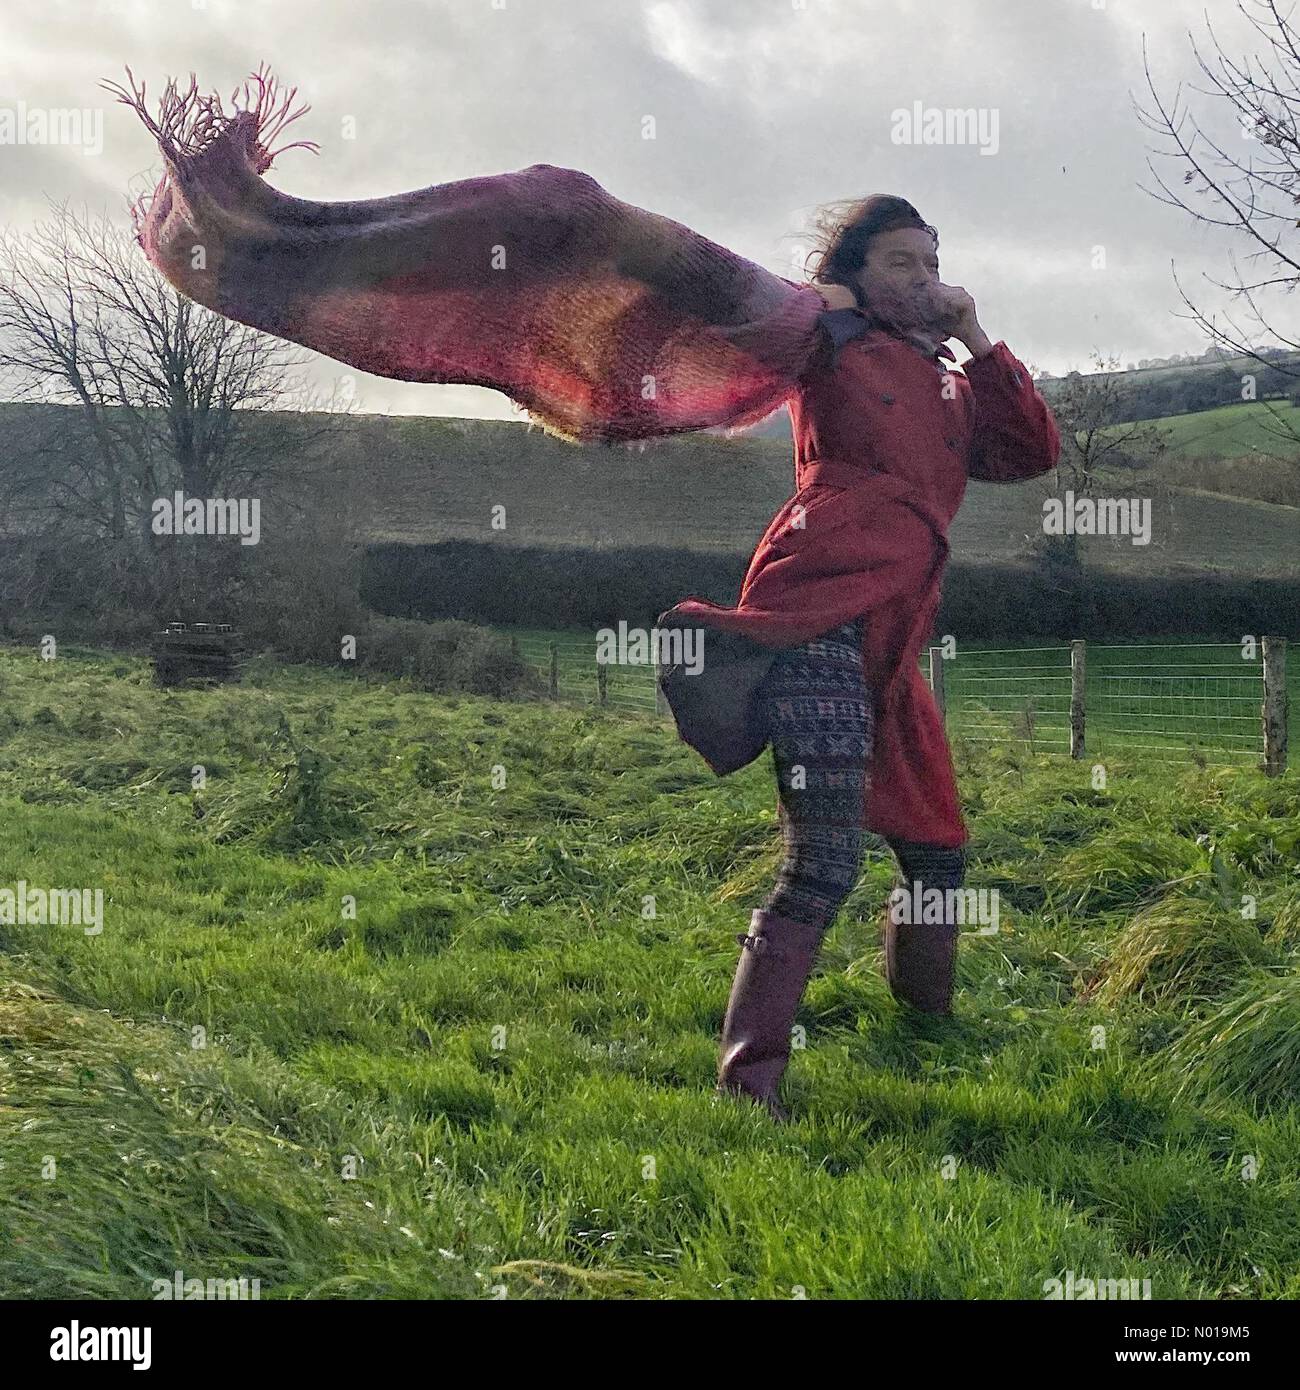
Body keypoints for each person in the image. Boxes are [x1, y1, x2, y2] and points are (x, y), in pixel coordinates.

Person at [656, 196, 1061, 1122]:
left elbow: (1030, 450)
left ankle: (928, 1028)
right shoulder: (825, 342)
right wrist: (822, 300)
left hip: (895, 637)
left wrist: (976, 335)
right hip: (816, 615)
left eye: (933, 261)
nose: (925, 277)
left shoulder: (957, 386)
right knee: (826, 860)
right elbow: (731, 303)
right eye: (900, 263)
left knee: (938, 850)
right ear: (854, 273)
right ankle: (748, 1083)